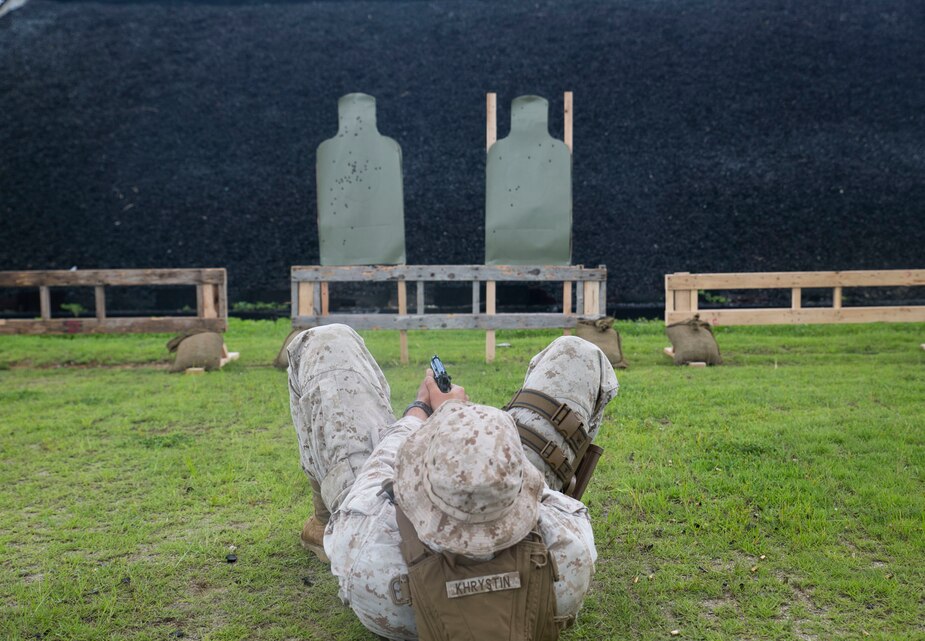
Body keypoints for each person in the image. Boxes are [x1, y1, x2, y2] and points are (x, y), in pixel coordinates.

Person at [287, 324, 618, 640]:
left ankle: (321, 520)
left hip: (399, 604)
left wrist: (422, 411)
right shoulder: (571, 549)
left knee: (327, 342)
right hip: (536, 582)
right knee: (577, 353)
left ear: (417, 485)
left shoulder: (363, 551)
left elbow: (376, 473)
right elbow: (536, 489)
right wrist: (476, 434)